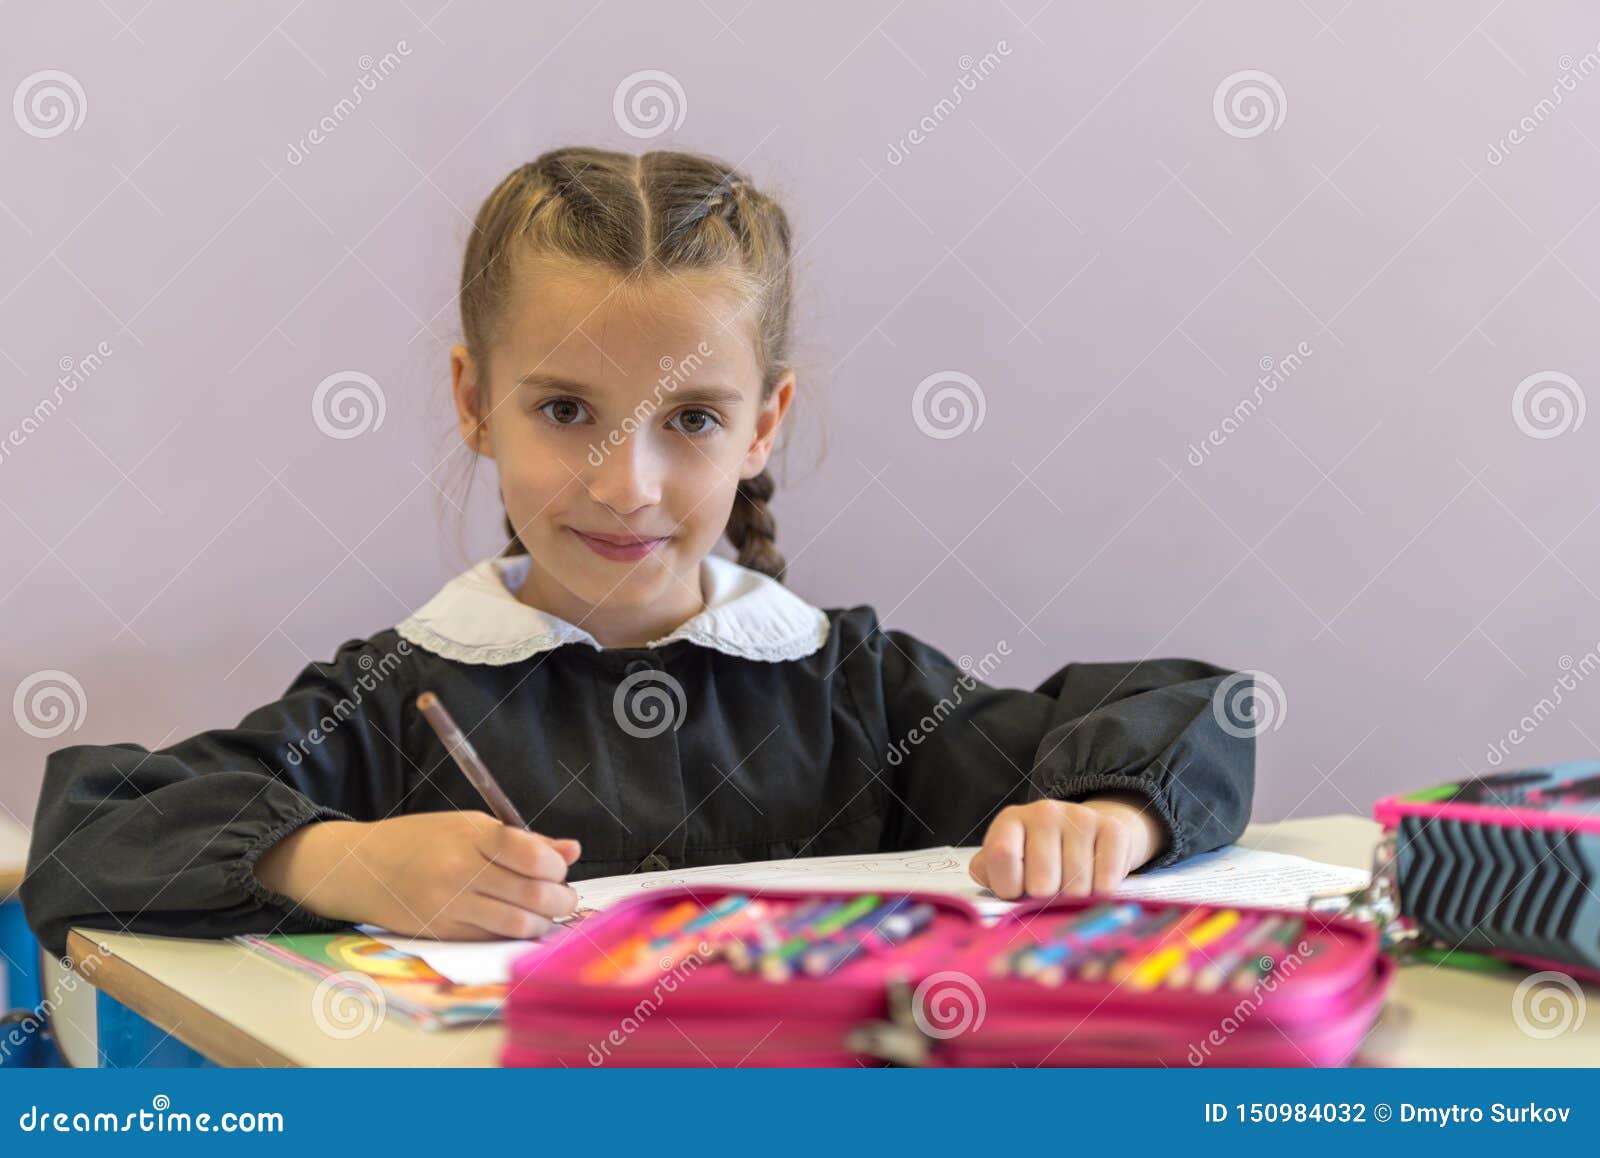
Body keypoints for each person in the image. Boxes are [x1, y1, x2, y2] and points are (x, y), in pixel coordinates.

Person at [21, 148, 1253, 959]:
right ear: (473, 399)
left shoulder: (858, 690)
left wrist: (1108, 815)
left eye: (692, 420)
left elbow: (1197, 711)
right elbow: (88, 835)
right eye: (565, 411)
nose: (627, 484)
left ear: (762, 424)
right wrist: (340, 859)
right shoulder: (393, 700)